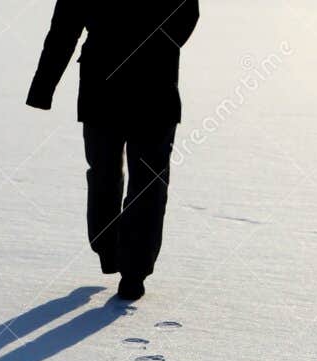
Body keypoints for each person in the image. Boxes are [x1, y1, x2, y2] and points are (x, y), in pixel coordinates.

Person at [25, 1, 199, 301]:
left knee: (135, 178)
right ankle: (114, 253)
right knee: (126, 177)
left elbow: (187, 12)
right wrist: (43, 86)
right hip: (121, 86)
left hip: (140, 86)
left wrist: (158, 46)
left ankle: (131, 269)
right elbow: (66, 24)